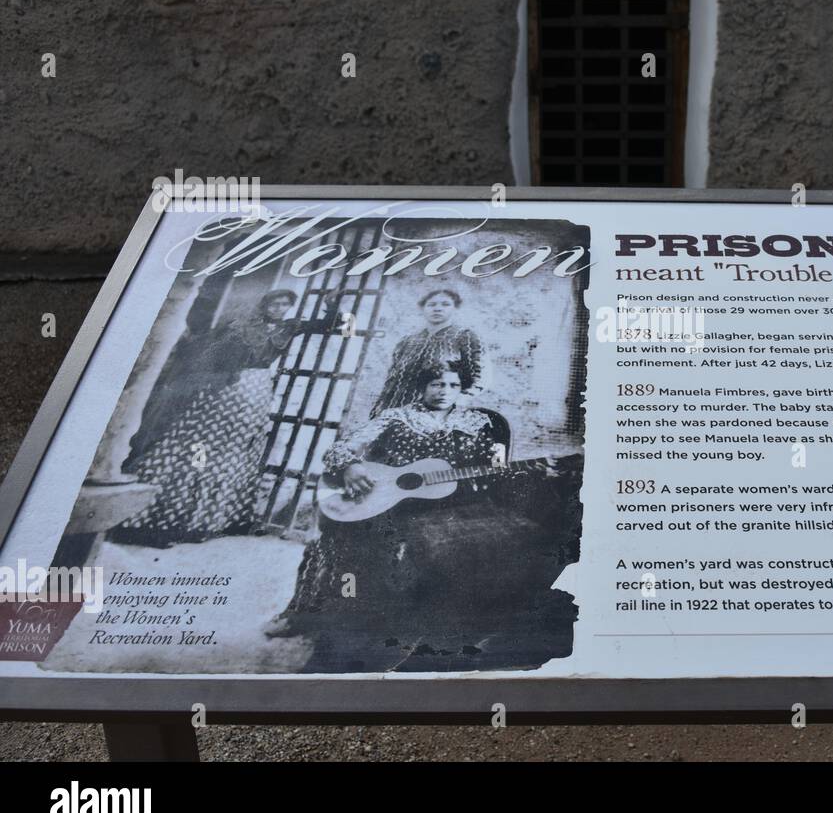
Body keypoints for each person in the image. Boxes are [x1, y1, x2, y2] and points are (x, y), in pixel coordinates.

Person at [286, 359, 579, 674]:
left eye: (453, 385)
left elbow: (496, 468)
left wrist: (533, 468)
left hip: (454, 506)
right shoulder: (395, 417)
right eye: (437, 384)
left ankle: (458, 635)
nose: (445, 391)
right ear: (422, 387)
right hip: (391, 503)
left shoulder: (478, 423)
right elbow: (340, 448)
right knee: (368, 555)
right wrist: (351, 466)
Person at [109, 287, 343, 547]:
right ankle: (155, 519)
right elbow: (207, 355)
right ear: (264, 305)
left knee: (230, 453)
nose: (278, 309)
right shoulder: (238, 327)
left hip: (255, 391)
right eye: (274, 304)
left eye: (284, 305)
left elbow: (331, 325)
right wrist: (214, 376)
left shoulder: (289, 327)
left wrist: (331, 305)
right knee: (194, 449)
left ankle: (204, 522)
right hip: (222, 391)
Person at [369, 288, 489, 416]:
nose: (437, 308)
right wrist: (379, 409)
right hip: (392, 409)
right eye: (431, 304)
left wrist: (452, 403)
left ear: (455, 308)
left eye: (445, 304)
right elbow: (392, 379)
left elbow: (481, 378)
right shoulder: (408, 340)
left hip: (433, 414)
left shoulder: (465, 337)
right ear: (423, 309)